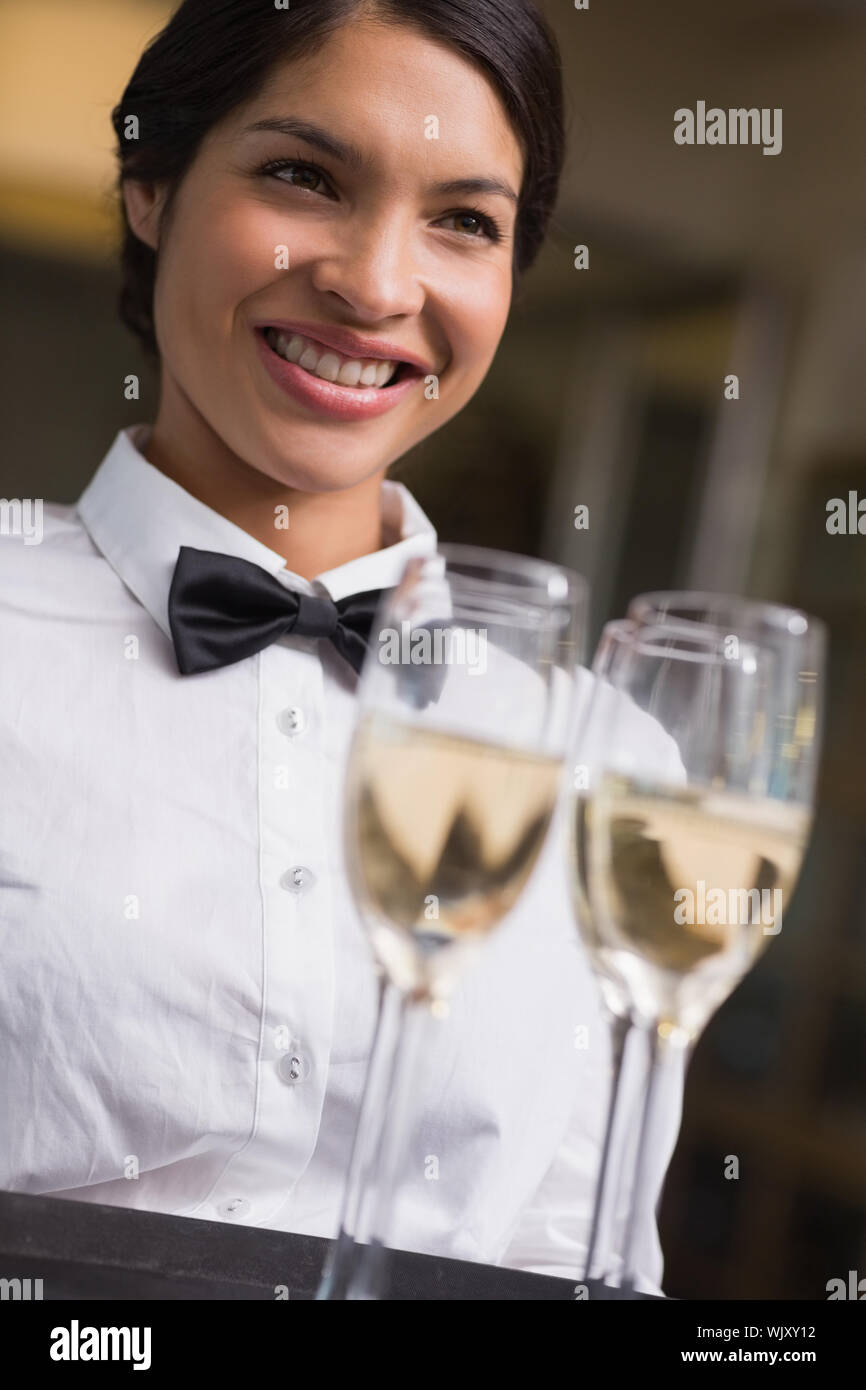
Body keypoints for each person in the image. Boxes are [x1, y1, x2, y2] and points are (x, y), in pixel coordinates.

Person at [0, 0, 683, 1292]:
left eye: (462, 221)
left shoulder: (606, 757)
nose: (376, 285)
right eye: (303, 176)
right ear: (150, 184)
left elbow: (583, 1262)